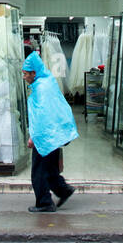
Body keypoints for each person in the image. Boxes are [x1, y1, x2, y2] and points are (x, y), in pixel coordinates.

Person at [22, 51, 79, 213]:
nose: (24, 77)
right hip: (55, 134)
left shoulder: (41, 88)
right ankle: (63, 190)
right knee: (50, 167)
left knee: (38, 169)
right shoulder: (46, 81)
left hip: (47, 136)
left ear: (34, 73)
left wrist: (34, 138)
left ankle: (44, 202)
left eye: (26, 74)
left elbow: (42, 117)